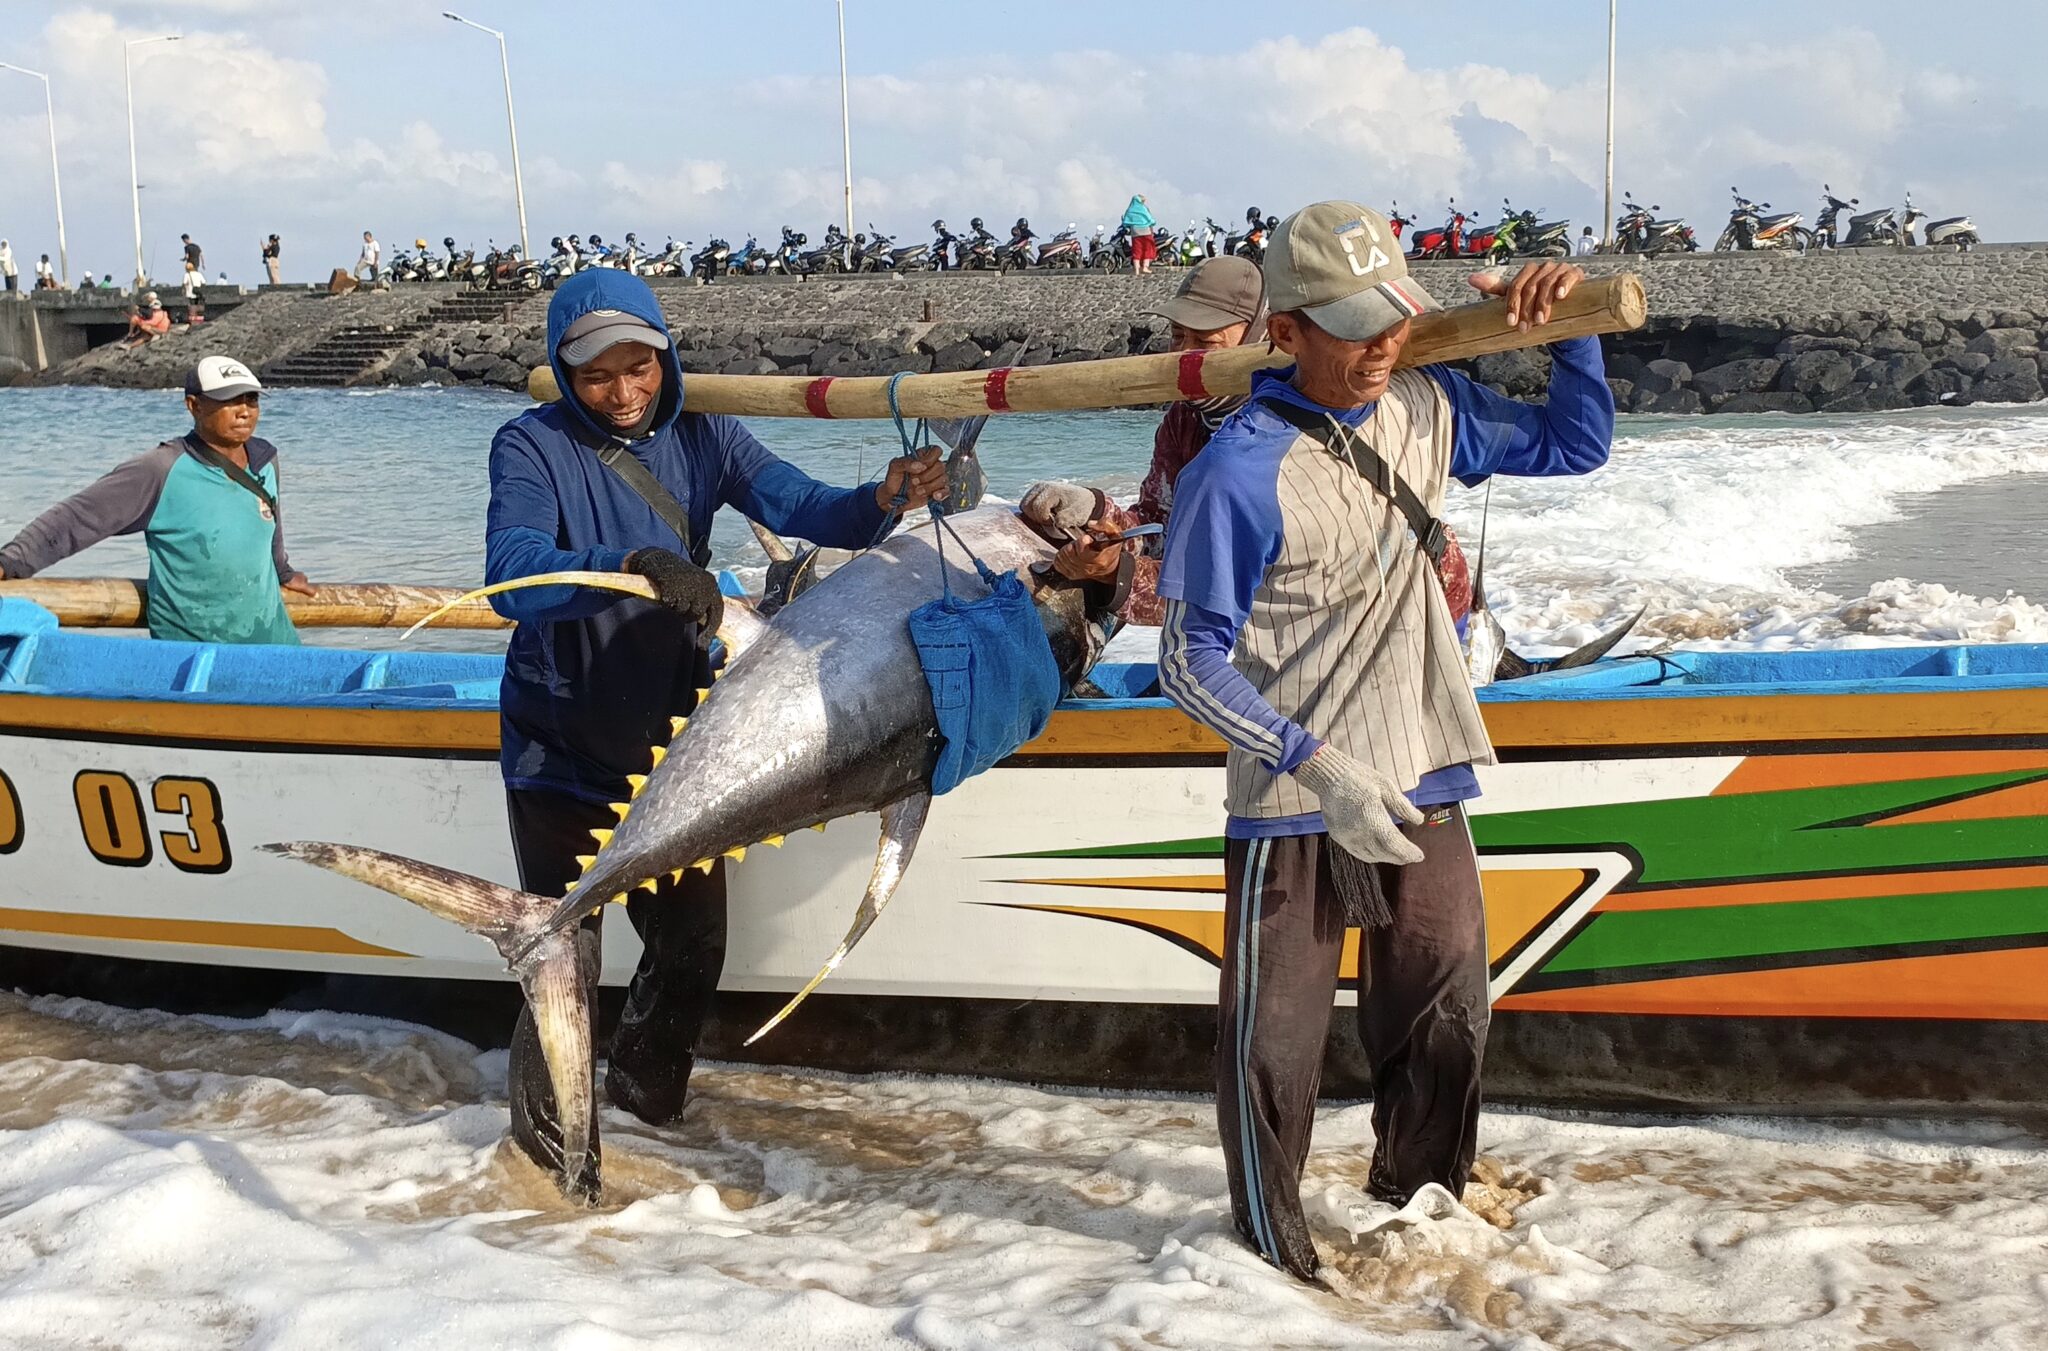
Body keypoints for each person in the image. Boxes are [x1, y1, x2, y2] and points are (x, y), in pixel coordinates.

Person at [1155, 201, 1611, 1282]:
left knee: (1447, 1007)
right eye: (1350, 325)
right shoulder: (1237, 473)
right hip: (1293, 800)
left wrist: (1568, 329)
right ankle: (1266, 1271)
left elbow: (1575, 445)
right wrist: (1312, 762)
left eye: (1391, 319)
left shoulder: (1429, 403)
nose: (1378, 346)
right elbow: (1186, 662)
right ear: (1288, 330)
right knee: (1272, 1050)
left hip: (1422, 769)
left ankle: (1421, 1215)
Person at [484, 269, 949, 1197]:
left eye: (640, 368)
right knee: (561, 956)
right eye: (597, 376)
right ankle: (541, 1165)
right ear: (563, 373)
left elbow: (802, 503)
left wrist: (885, 495)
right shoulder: (529, 445)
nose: (623, 392)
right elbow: (512, 573)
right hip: (562, 745)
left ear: (666, 356)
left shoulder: (708, 434)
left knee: (693, 948)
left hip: (674, 740)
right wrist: (632, 563)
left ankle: (644, 1119)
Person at [0, 356, 314, 644]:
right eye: (228, 400)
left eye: (251, 399)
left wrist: (283, 571)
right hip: (194, 653)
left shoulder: (265, 460)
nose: (244, 411)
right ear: (194, 406)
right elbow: (77, 519)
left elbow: (269, 524)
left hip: (274, 642)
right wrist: (10, 562)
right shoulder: (161, 469)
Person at [1123, 194, 1158, 275]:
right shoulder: (1144, 209)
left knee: (1136, 250)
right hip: (1146, 231)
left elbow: (1125, 222)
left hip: (1135, 233)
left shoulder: (1130, 210)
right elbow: (1151, 220)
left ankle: (1136, 270)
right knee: (1147, 249)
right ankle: (1145, 267)